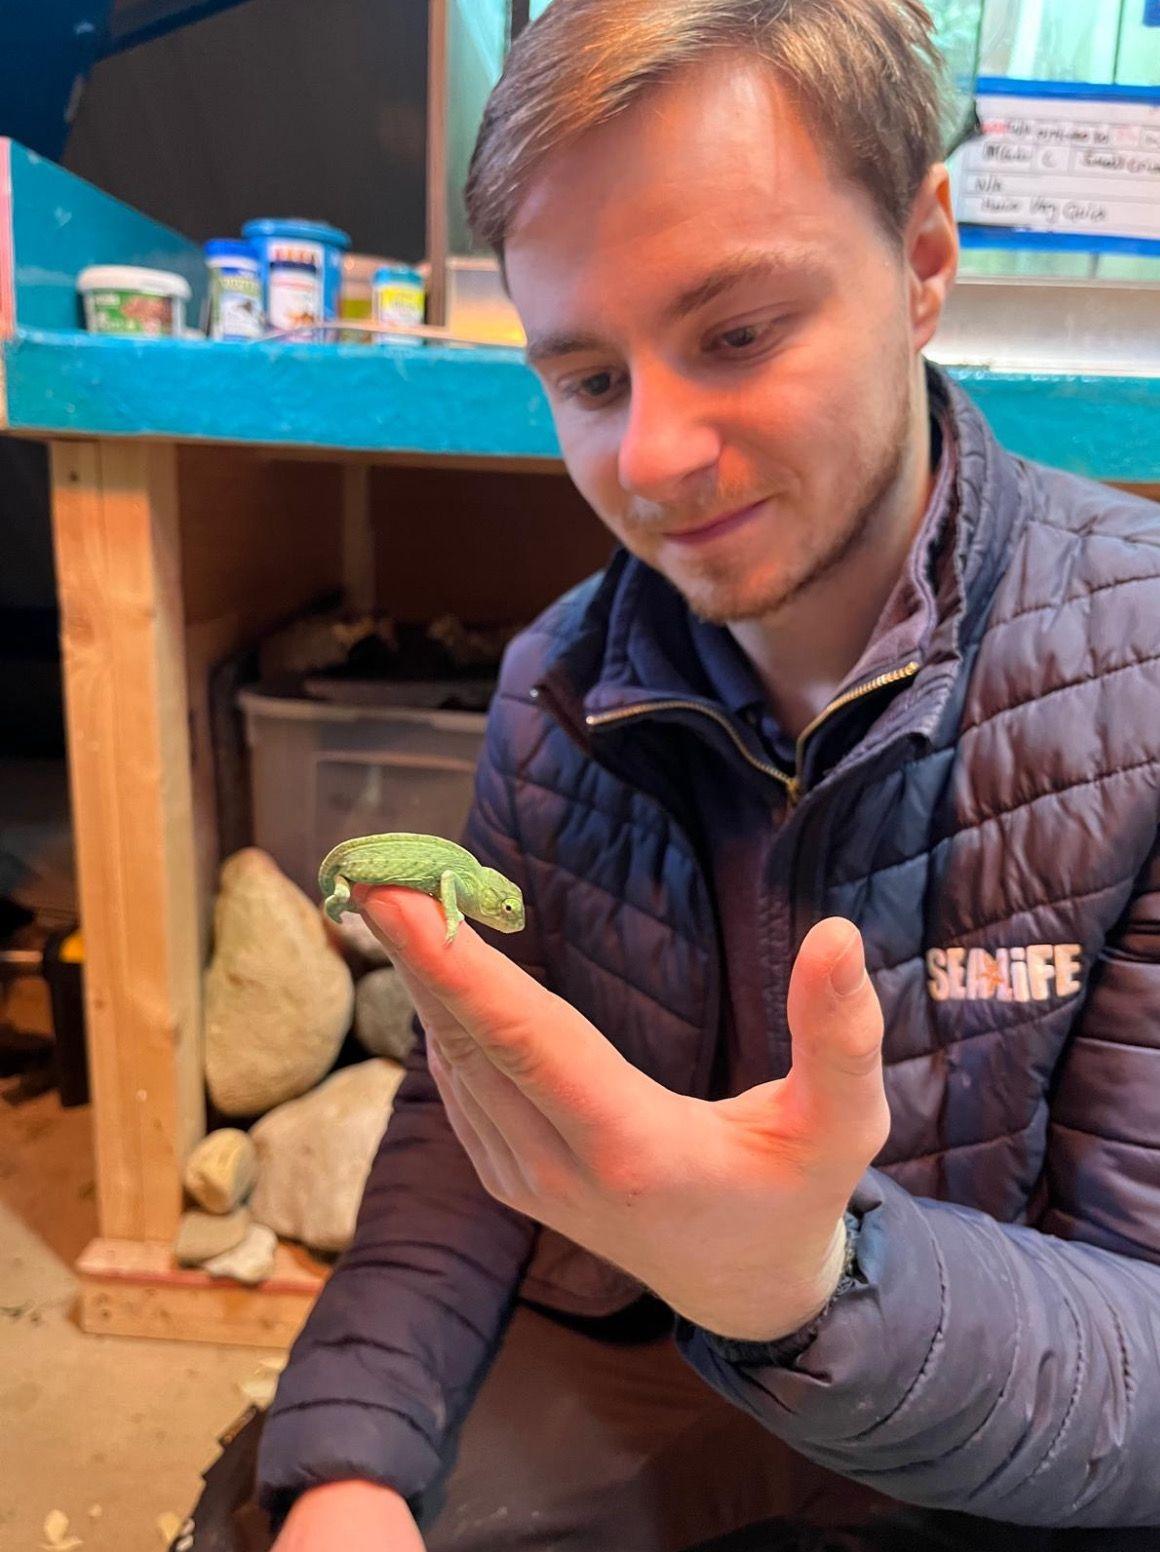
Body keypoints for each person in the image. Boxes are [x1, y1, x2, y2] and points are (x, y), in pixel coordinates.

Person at [193, 2, 1160, 1548]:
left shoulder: (1143, 672)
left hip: (1022, 1432)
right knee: (265, 1506)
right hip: (663, 1372)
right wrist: (349, 1470)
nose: (649, 457)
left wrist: (807, 1279)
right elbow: (469, 1118)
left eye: (736, 332)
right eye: (586, 378)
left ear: (922, 259)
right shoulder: (552, 689)